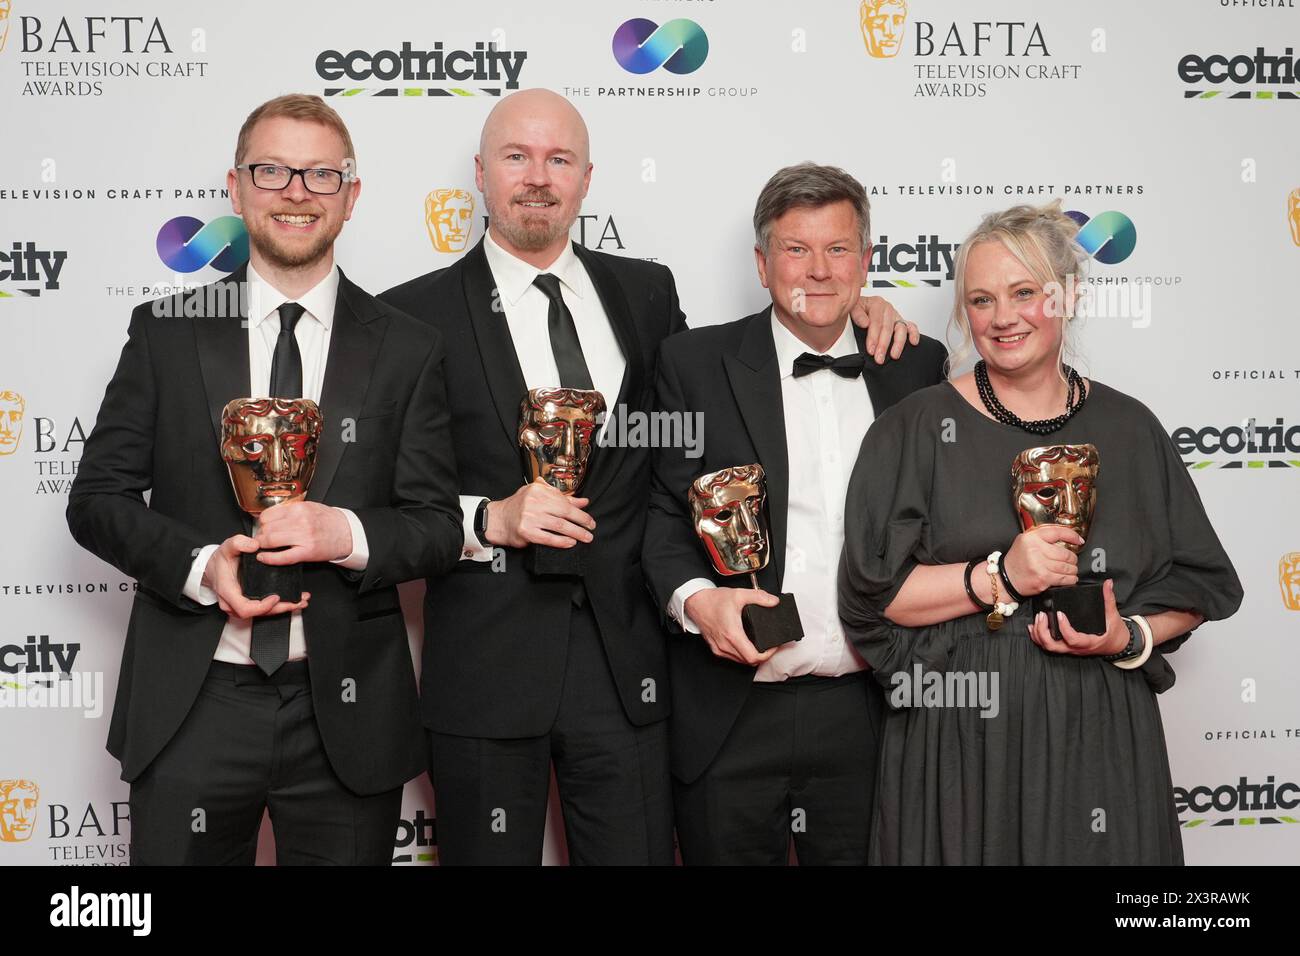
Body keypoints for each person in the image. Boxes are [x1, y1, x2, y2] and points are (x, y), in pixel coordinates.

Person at [381, 90, 919, 865]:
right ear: (481, 173)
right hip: (487, 671)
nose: (539, 177)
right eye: (517, 157)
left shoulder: (647, 293)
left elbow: (704, 439)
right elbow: (397, 502)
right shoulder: (412, 316)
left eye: (559, 159)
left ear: (587, 177)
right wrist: (489, 517)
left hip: (629, 668)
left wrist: (855, 307)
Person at [66, 94, 463, 865]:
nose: (296, 191)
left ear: (351, 196)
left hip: (346, 709)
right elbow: (97, 501)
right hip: (194, 701)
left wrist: (341, 533)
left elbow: (438, 526)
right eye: (272, 170)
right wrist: (199, 567)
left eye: (321, 174)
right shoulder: (165, 332)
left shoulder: (409, 348)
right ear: (237, 186)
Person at [838, 200, 1243, 864]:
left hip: (1101, 731)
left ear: (1069, 294)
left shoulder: (1131, 428)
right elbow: (874, 598)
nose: (1003, 317)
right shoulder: (913, 429)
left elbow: (1200, 583)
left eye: (1024, 293)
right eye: (982, 299)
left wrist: (1129, 635)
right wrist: (998, 576)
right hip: (961, 736)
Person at [641, 163, 947, 864]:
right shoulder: (693, 363)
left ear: (867, 262)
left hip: (874, 709)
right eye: (795, 249)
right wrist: (698, 603)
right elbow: (661, 516)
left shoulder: (915, 366)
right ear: (761, 263)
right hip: (731, 709)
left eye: (838, 249)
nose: (818, 269)